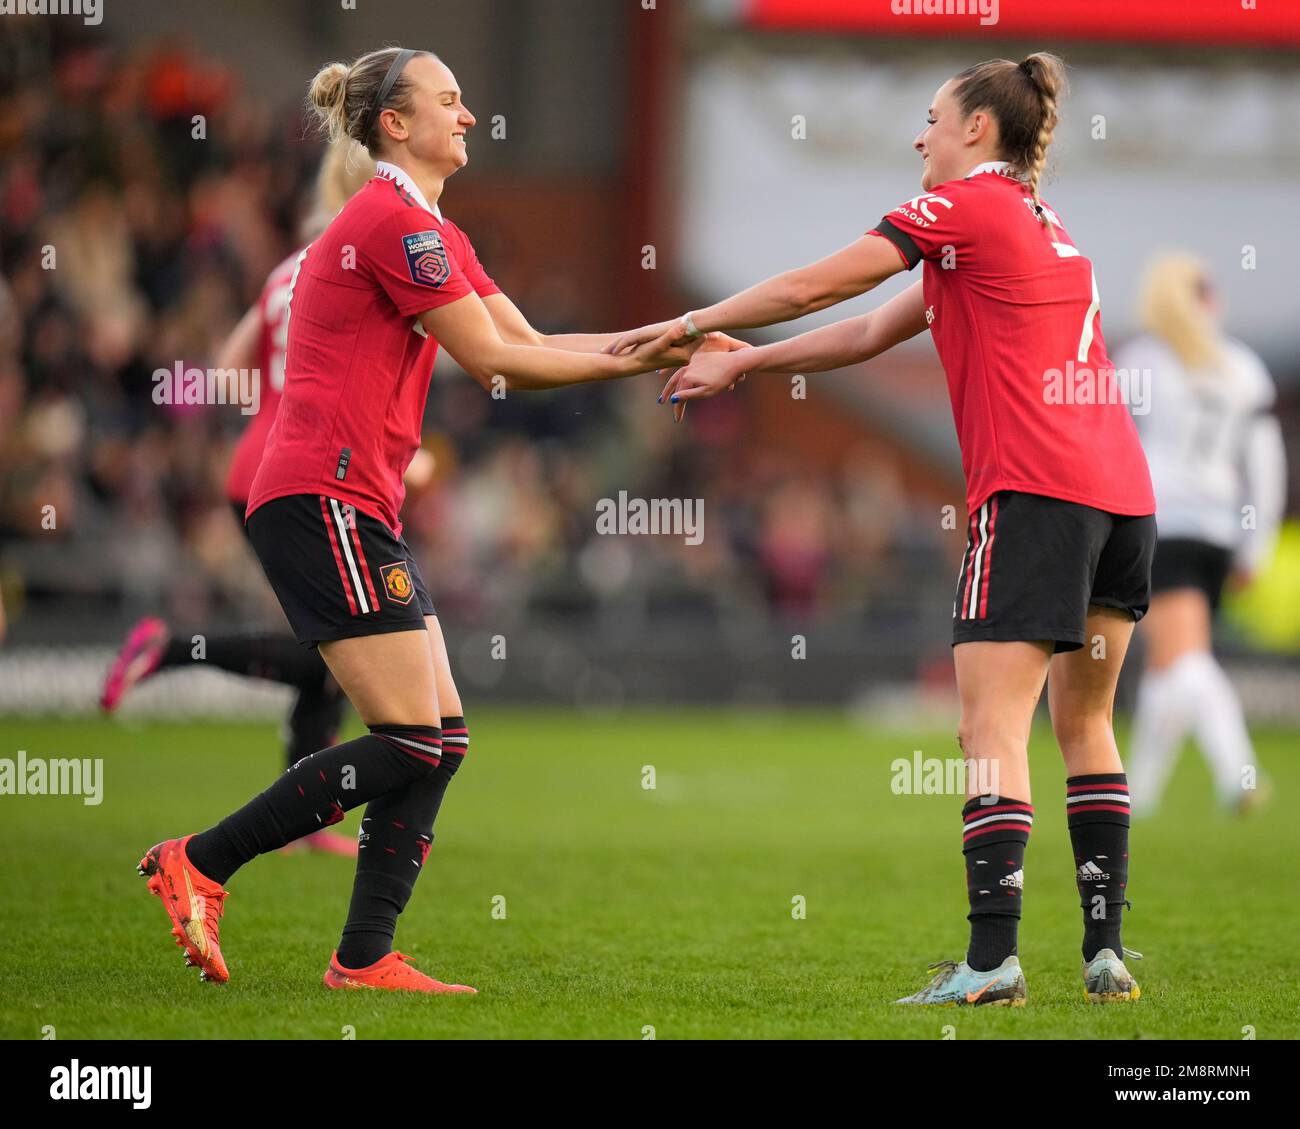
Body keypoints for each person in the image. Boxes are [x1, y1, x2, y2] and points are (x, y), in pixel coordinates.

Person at [138, 46, 729, 994]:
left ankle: (364, 955)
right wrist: (657, 359)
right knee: (412, 736)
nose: (468, 117)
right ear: (394, 125)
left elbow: (532, 342)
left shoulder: (430, 228)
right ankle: (200, 861)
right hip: (320, 496)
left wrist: (679, 340)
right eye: (449, 102)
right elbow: (503, 367)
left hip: (353, 501)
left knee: (440, 737)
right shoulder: (388, 220)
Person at [616, 53, 1154, 1005]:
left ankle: (991, 964)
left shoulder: (965, 209)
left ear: (978, 131)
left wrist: (691, 321)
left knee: (990, 725)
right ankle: (1105, 952)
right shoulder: (1044, 229)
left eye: (933, 116)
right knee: (1087, 722)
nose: (920, 135)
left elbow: (819, 286)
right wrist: (748, 363)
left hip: (1034, 496)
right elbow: (870, 332)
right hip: (1121, 500)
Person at [103, 139, 376, 856]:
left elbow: (224, 372)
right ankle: (171, 648)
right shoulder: (366, 259)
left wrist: (275, 401)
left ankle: (309, 820)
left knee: (330, 647)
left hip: (254, 464)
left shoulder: (288, 270)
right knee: (341, 647)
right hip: (309, 467)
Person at [1118, 253, 1286, 817]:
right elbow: (1266, 467)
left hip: (1161, 525)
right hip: (1219, 531)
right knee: (1169, 663)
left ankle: (1240, 775)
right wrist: (1255, 542)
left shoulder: (1142, 360)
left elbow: (1112, 449)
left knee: (1184, 661)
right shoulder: (1242, 367)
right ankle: (1137, 795)